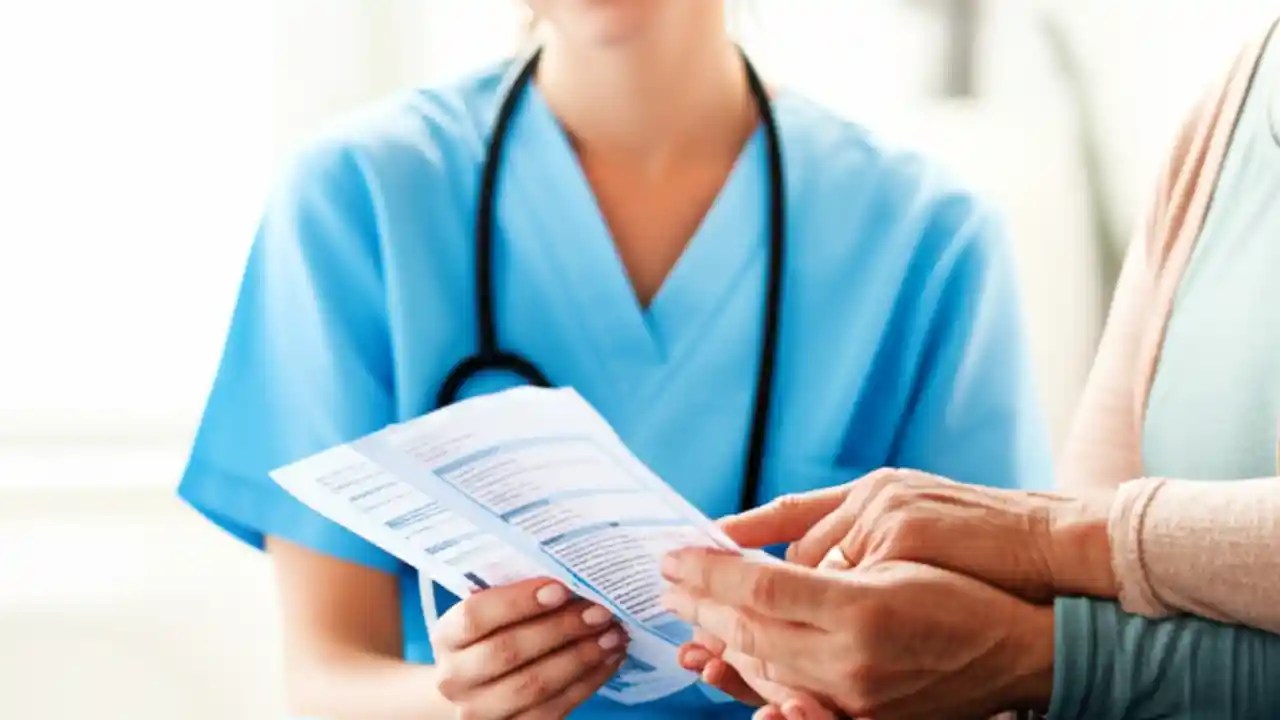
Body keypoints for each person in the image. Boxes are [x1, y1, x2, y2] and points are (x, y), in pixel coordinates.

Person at [176, 1, 1051, 718]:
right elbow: (326, 680)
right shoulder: (355, 198)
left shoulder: (926, 234)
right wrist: (464, 703)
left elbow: (989, 674)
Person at [664, 18, 1280, 720]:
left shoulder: (920, 220)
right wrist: (896, 659)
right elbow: (1078, 594)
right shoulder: (1225, 119)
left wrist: (1039, 627)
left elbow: (1072, 580)